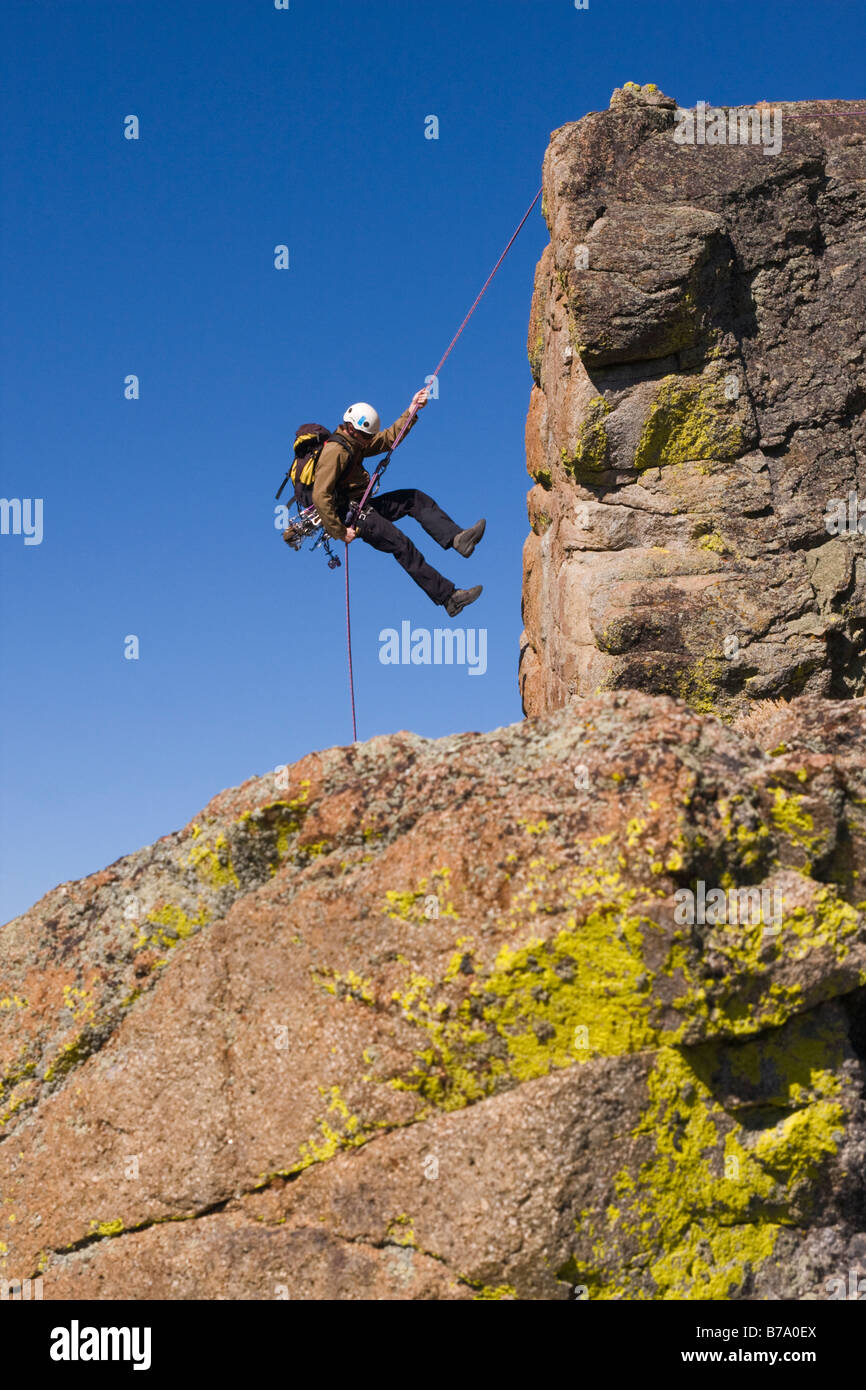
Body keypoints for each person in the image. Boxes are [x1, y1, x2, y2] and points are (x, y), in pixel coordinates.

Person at [308, 390, 484, 616]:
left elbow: (386, 438)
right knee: (401, 544)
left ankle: (458, 539)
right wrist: (340, 531)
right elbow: (320, 496)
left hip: (363, 505)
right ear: (352, 429)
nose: (369, 441)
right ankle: (449, 598)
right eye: (366, 436)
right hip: (352, 516)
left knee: (413, 499)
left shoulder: (355, 442)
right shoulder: (335, 452)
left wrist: (412, 410)